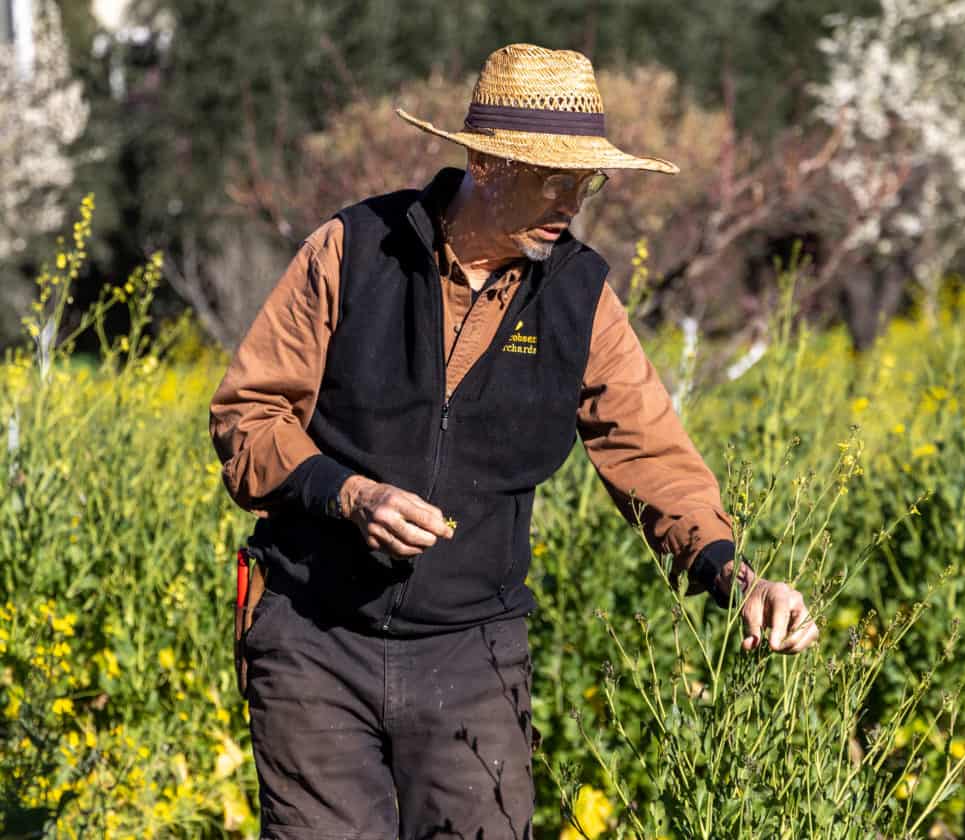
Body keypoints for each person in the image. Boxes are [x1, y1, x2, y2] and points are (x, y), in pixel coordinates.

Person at [209, 42, 819, 840]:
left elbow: (652, 458)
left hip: (472, 657)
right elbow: (247, 417)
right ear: (483, 163)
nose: (571, 199)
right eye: (548, 176)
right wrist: (351, 495)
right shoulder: (351, 250)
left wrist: (738, 578)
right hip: (312, 640)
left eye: (584, 180)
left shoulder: (580, 297)